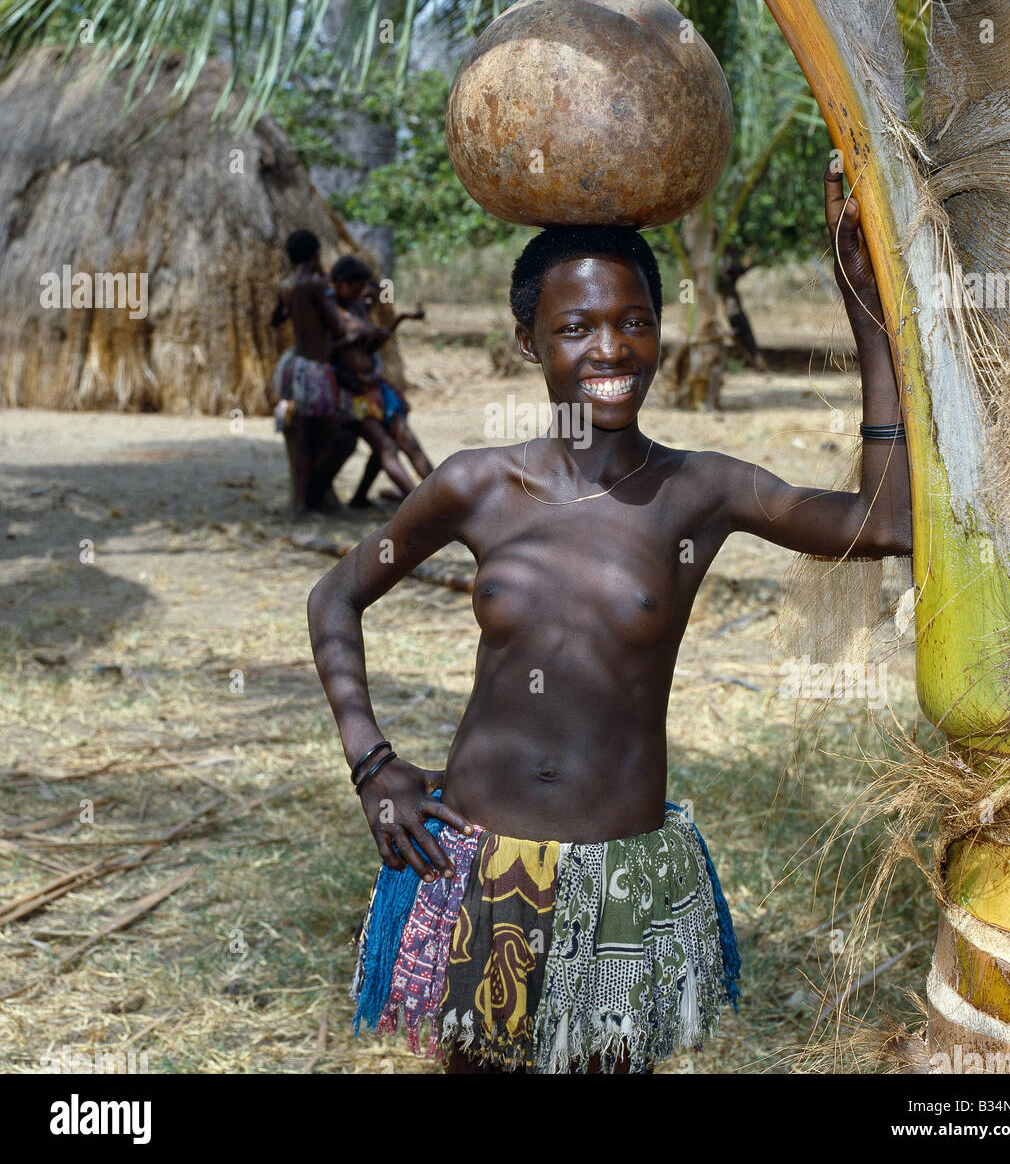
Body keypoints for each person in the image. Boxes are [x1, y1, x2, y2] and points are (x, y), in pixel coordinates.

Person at [307, 164, 913, 1074]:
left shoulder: (697, 492)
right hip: (475, 867)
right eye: (576, 326)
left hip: (621, 878)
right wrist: (371, 762)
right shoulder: (477, 485)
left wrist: (865, 309)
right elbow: (336, 594)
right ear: (528, 342)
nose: (611, 349)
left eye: (634, 321)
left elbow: (885, 522)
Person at [327, 257, 434, 505]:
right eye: (356, 289)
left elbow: (369, 346)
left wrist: (391, 324)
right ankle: (420, 504)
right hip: (352, 394)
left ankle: (439, 496)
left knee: (408, 442)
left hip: (374, 387)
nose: (360, 295)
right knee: (386, 447)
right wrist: (353, 339)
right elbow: (324, 352)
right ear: (341, 283)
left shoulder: (356, 310)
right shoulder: (329, 311)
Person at [270, 229, 353, 520]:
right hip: (315, 371)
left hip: (293, 366)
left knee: (303, 436)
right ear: (316, 253)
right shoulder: (316, 284)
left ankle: (303, 503)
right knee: (329, 437)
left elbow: (276, 319)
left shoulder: (286, 285)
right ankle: (306, 504)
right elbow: (338, 327)